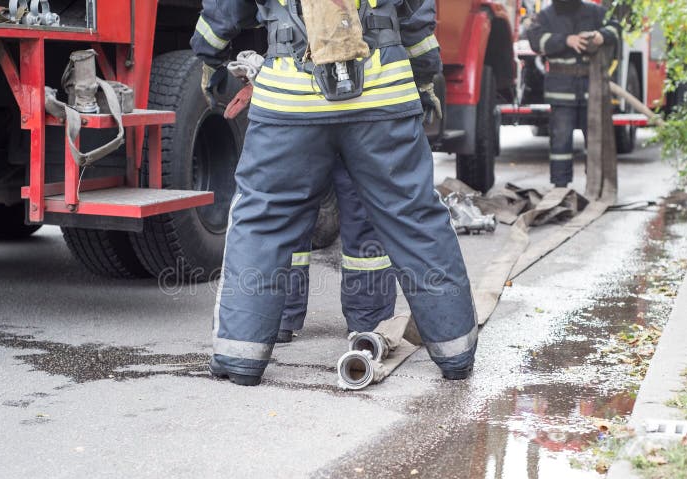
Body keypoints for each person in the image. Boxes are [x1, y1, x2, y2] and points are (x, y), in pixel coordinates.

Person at [191, 0, 478, 386]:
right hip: (382, 97)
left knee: (263, 221)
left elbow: (225, 11)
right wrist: (424, 82)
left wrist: (209, 59)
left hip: (291, 99)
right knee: (415, 219)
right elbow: (417, 21)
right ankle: (455, 353)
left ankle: (239, 356)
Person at [278, 160, 397, 343]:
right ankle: (367, 317)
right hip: (361, 133)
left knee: (290, 204)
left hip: (299, 134)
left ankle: (279, 314)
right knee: (362, 203)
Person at [527, 0, 621, 187]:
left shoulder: (594, 12)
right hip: (561, 92)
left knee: (595, 141)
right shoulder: (546, 16)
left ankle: (596, 185)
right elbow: (535, 40)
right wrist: (566, 40)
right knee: (560, 143)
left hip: (591, 92)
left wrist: (600, 36)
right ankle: (560, 187)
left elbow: (616, 27)